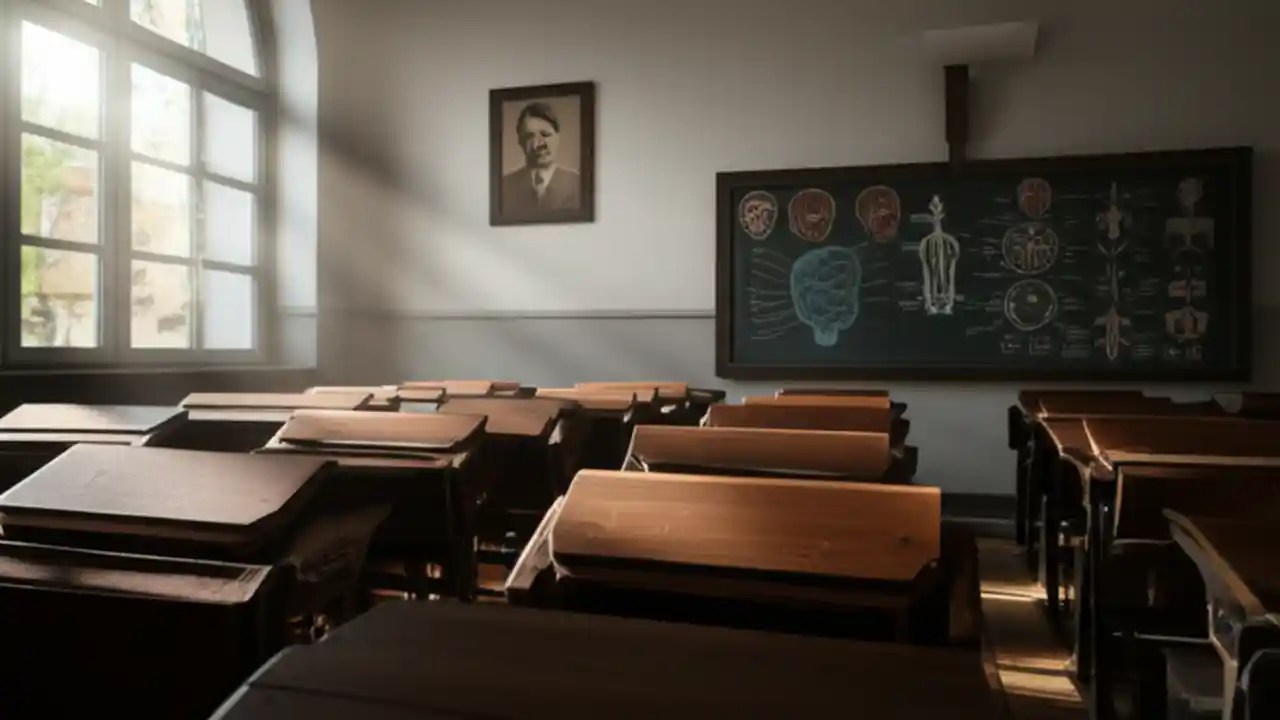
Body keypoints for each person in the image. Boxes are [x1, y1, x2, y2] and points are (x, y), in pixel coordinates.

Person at [501, 101, 580, 214]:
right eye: (529, 137)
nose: (537, 144)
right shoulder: (504, 187)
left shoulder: (578, 183)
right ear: (520, 141)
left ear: (558, 137)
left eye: (545, 134)